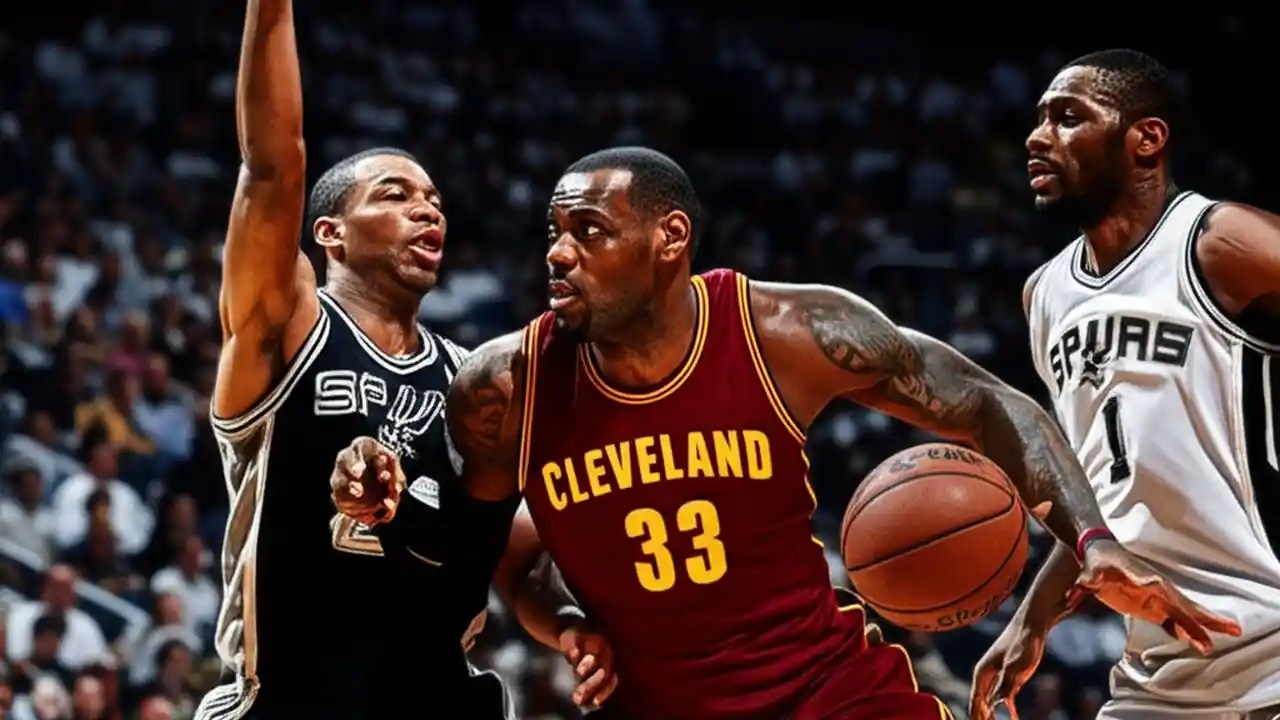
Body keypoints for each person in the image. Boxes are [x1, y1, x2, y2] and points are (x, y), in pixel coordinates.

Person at [343, 145, 1238, 719]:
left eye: (589, 230)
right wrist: (570, 626)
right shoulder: (505, 387)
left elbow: (987, 403)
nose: (559, 253)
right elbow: (498, 555)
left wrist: (1090, 540)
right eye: (553, 232)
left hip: (827, 694)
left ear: (669, 239)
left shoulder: (784, 332)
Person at [197, 1, 606, 717]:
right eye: (396, 195)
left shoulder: (472, 378)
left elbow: (517, 560)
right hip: (289, 698)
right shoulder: (285, 327)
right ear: (330, 232)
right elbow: (271, 166)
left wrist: (570, 625)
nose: (428, 210)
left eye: (434, 200)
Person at [970, 48, 1280, 720]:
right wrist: (1033, 620)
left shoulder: (1220, 243)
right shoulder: (1045, 294)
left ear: (1146, 138)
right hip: (1159, 676)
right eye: (1038, 120)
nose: (1036, 136)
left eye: (1067, 117)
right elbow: (1100, 490)